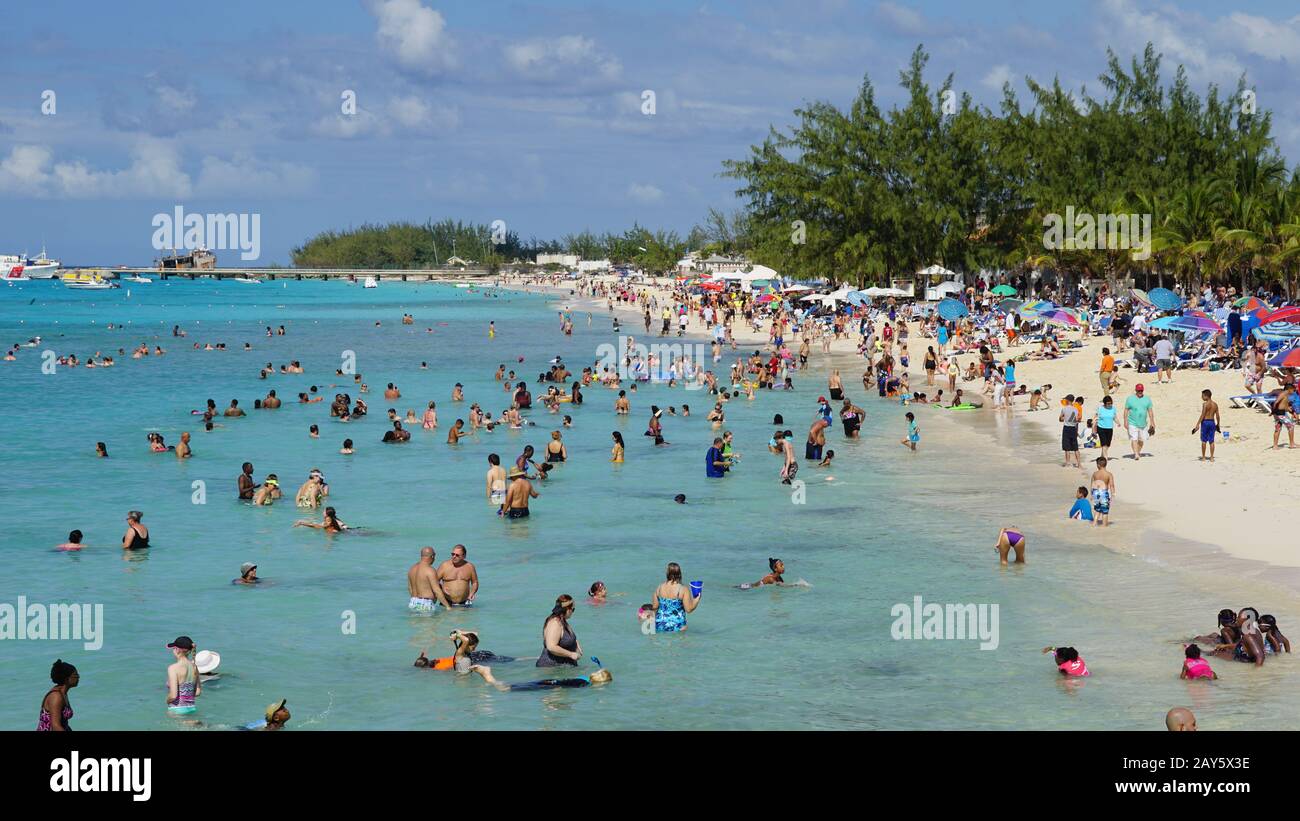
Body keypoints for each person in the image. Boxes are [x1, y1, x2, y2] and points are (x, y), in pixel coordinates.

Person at [651, 562, 699, 633]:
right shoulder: (683, 589)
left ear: (667, 573)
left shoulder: (659, 588)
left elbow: (655, 607)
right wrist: (697, 599)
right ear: (679, 574)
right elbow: (689, 609)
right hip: (678, 625)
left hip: (660, 624)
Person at [536, 595, 582, 667]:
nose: (573, 612)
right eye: (573, 609)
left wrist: (576, 644)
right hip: (551, 668)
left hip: (563, 668)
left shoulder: (562, 621)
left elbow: (566, 637)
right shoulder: (555, 623)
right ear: (567, 609)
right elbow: (551, 647)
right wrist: (571, 654)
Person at [408, 546, 453, 611]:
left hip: (413, 602)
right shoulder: (430, 570)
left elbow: (410, 588)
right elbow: (436, 591)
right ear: (432, 556)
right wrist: (447, 606)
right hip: (426, 604)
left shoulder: (412, 569)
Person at [38, 659, 78, 731]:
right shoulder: (56, 696)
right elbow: (55, 726)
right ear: (67, 678)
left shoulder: (63, 693)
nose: (78, 677)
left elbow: (63, 723)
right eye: (75, 675)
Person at [165, 636, 200, 714]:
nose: (173, 650)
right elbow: (197, 692)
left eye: (173, 648)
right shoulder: (194, 667)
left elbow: (173, 696)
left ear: (177, 650)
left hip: (177, 710)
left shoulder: (173, 668)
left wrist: (167, 700)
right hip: (191, 709)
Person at [1121, 383, 1155, 459]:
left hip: (1143, 423)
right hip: (1132, 422)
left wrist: (1152, 422)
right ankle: (1136, 454)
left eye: (1141, 390)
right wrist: (1125, 421)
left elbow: (1150, 411)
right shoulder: (1130, 399)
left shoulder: (1147, 399)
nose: (1140, 392)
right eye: (1138, 390)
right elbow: (1126, 410)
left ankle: (1137, 452)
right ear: (1136, 390)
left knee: (1141, 440)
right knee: (1134, 438)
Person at [1193, 389, 1221, 461]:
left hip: (1205, 422)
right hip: (1212, 422)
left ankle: (1203, 457)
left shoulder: (1205, 404)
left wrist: (1197, 424)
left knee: (1204, 440)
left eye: (1202, 396)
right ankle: (1211, 457)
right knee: (1211, 441)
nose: (1201, 397)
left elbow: (1203, 414)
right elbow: (1218, 416)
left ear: (1206, 396)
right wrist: (1218, 424)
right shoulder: (1215, 404)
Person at [1089, 457, 1115, 526]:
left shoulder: (1095, 474)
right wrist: (1113, 494)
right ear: (1106, 464)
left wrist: (1091, 495)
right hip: (1104, 493)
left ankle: (1094, 524)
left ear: (1098, 465)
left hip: (1096, 493)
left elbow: (1092, 485)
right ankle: (1104, 526)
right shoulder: (1109, 474)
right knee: (1105, 512)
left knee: (1097, 510)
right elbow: (1112, 485)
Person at [1059, 394, 1081, 468]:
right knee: (1075, 447)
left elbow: (1060, 419)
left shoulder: (1064, 409)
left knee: (1067, 447)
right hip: (1073, 428)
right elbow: (1076, 420)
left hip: (1067, 428)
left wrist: (1064, 418)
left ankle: (1068, 463)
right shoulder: (1075, 409)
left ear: (1067, 400)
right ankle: (1079, 464)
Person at [1093, 395, 1116, 460]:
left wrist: (1118, 422)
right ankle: (1105, 458)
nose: (1110, 405)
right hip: (1101, 427)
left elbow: (1114, 417)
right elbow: (1096, 416)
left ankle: (1102, 455)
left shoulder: (1113, 408)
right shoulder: (1100, 408)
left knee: (1108, 444)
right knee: (1104, 443)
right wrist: (1093, 421)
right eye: (1108, 403)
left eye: (1111, 403)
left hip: (1109, 428)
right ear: (1104, 403)